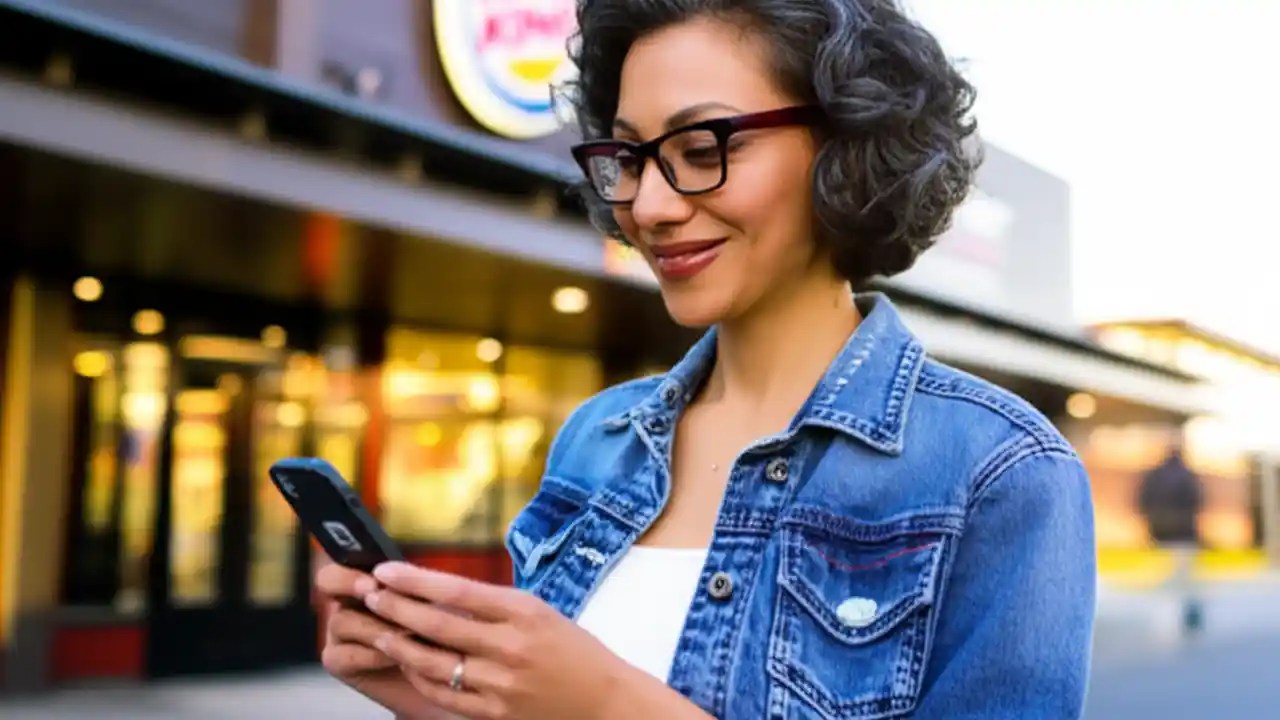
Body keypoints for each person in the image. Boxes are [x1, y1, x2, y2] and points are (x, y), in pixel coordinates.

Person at [315, 1, 1097, 718]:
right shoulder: (599, 438)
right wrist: (424, 692)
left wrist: (610, 706)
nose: (649, 206)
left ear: (846, 149)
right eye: (629, 157)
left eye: (702, 146)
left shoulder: (1000, 473)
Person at [1137, 437, 1205, 634]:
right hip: (1184, 533)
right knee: (1185, 579)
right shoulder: (1187, 475)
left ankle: (1164, 618)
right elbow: (1198, 501)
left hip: (1160, 533)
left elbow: (1143, 501)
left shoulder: (1154, 476)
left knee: (1164, 577)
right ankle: (1188, 618)